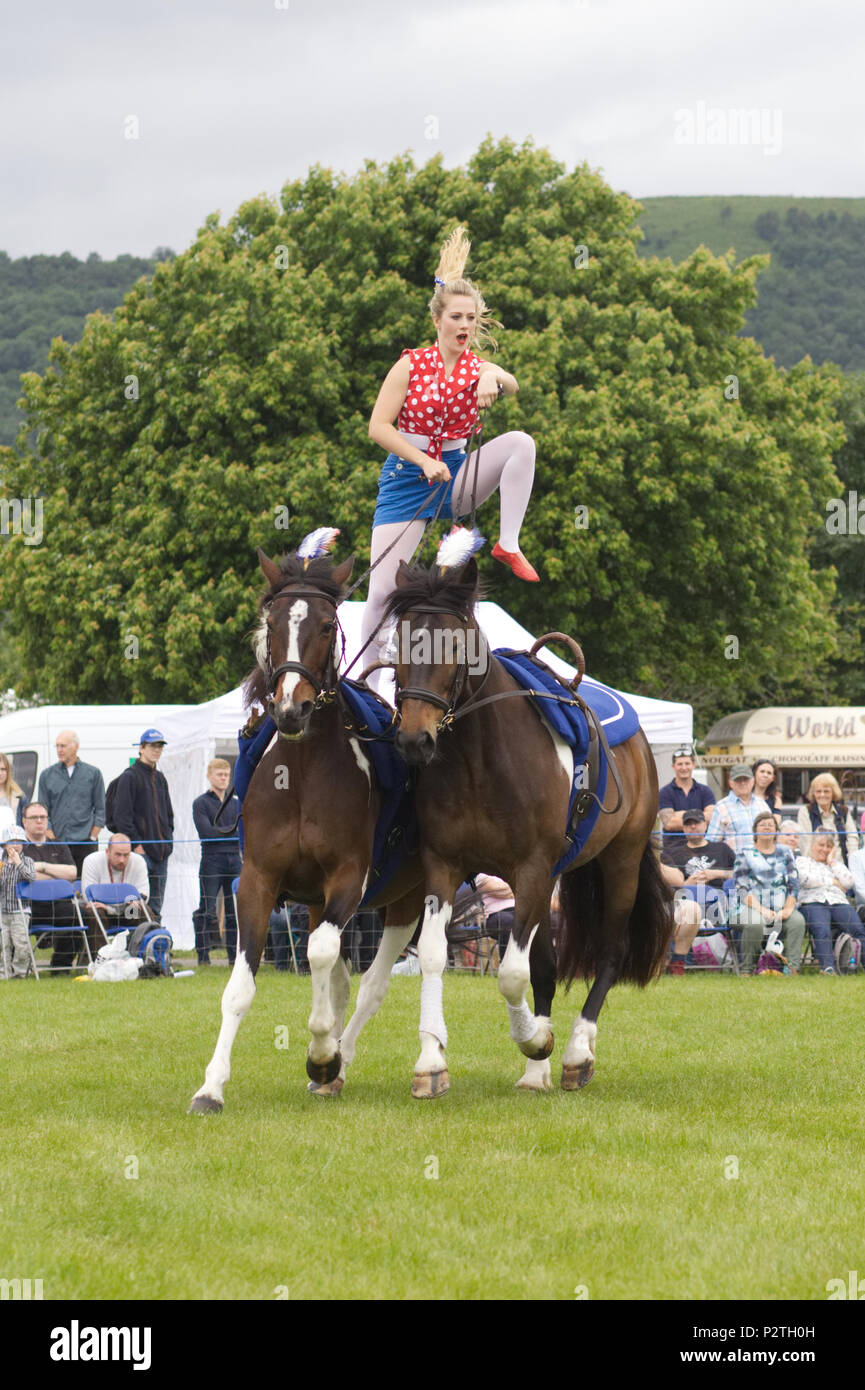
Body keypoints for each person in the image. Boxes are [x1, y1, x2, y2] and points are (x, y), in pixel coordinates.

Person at [361, 224, 539, 684]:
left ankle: (508, 542)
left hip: (458, 475)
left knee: (521, 443)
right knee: (381, 593)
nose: (465, 326)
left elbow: (513, 384)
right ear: (438, 321)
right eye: (456, 317)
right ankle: (368, 687)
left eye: (471, 318)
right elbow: (378, 427)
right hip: (408, 478)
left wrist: (493, 376)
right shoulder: (410, 365)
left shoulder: (479, 367)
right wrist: (422, 460)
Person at [728, 812, 806, 972]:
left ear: (776, 831)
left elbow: (794, 884)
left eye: (771, 825)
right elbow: (742, 889)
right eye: (762, 824)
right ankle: (747, 970)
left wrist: (788, 909)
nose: (767, 827)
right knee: (756, 922)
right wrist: (762, 910)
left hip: (779, 908)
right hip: (746, 908)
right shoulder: (744, 853)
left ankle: (791, 970)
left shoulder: (785, 852)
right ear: (755, 830)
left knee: (797, 921)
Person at [112, 730, 174, 919]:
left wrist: (168, 842)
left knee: (156, 906)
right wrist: (137, 845)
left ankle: (154, 935)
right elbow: (121, 816)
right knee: (133, 902)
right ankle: (132, 934)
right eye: (152, 746)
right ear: (141, 748)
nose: (157, 750)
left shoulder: (160, 778)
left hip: (161, 853)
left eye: (160, 746)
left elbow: (169, 814)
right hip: (141, 853)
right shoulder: (129, 776)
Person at [19, 802, 79, 971]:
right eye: (34, 817)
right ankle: (19, 966)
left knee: (82, 915)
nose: (39, 821)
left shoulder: (58, 845)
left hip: (59, 905)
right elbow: (23, 875)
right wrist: (58, 875)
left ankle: (61, 965)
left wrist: (43, 867)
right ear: (24, 821)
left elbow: (72, 873)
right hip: (28, 907)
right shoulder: (18, 846)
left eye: (43, 817)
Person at [192, 759, 241, 965]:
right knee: (207, 908)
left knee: (234, 911)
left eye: (226, 775)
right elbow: (206, 833)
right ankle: (203, 956)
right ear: (209, 776)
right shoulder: (200, 803)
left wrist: (222, 832)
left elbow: (243, 831)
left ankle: (233, 957)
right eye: (219, 775)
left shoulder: (236, 803)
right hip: (212, 859)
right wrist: (233, 831)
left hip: (234, 859)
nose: (223, 778)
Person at [37, 731, 105, 874]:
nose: (59, 750)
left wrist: (92, 837)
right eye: (57, 746)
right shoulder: (46, 776)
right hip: (57, 842)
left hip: (85, 843)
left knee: (85, 883)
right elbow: (43, 810)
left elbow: (101, 809)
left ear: (76, 746)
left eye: (63, 746)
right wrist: (51, 837)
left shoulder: (93, 774)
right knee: (58, 883)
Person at [796, 833, 865, 974]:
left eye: (829, 846)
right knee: (822, 929)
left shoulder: (836, 865)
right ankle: (828, 968)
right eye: (821, 845)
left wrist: (832, 862)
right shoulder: (802, 861)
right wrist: (833, 882)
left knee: (857, 929)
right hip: (812, 901)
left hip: (838, 901)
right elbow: (806, 880)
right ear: (812, 846)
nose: (824, 849)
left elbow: (848, 882)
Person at [80, 834, 151, 946]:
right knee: (93, 911)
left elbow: (143, 895)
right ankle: (100, 955)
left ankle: (148, 951)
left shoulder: (139, 861)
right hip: (102, 912)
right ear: (107, 851)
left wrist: (114, 907)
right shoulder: (92, 860)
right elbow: (88, 897)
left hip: (127, 911)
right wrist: (109, 908)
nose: (122, 860)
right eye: (117, 854)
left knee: (143, 909)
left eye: (126, 855)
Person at [657, 749, 715, 850]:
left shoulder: (706, 791)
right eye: (680, 764)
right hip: (673, 849)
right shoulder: (664, 792)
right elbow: (669, 824)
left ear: (693, 765)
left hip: (702, 848)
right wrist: (699, 818)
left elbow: (711, 818)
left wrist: (680, 814)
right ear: (673, 766)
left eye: (687, 764)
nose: (684, 768)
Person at [706, 765, 771, 854]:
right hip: (734, 861)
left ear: (753, 781)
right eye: (738, 780)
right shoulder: (721, 807)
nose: (742, 783)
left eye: (746, 779)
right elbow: (712, 842)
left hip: (763, 859)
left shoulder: (762, 805)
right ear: (730, 783)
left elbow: (773, 836)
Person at [796, 774, 859, 866]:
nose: (822, 795)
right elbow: (805, 843)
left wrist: (853, 862)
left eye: (826, 791)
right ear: (813, 793)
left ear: (833, 793)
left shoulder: (843, 811)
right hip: (816, 867)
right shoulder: (806, 812)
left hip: (842, 866)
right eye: (818, 791)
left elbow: (852, 838)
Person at [0, 824, 37, 979]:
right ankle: (4, 973)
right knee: (3, 944)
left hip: (20, 911)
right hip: (3, 911)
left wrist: (18, 863)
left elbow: (31, 877)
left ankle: (20, 973)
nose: (15, 845)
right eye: (11, 842)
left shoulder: (27, 861)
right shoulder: (1, 862)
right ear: (4, 845)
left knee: (21, 943)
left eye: (19, 842)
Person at [474, 872, 515, 962]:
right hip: (495, 917)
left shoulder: (510, 872)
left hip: (517, 912)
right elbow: (494, 890)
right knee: (508, 921)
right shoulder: (482, 876)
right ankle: (506, 962)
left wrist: (507, 889)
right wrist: (514, 889)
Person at [0, 752, 28, 828]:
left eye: (3, 769)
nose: (0, 773)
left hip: (14, 835)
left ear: (8, 771)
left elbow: (27, 823)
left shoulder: (19, 795)